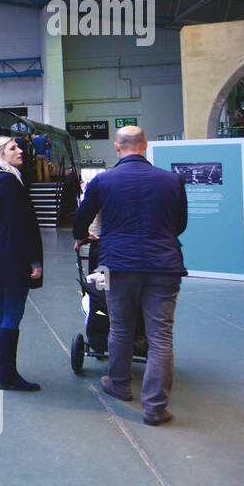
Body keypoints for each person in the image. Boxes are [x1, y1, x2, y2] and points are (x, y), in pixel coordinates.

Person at [72, 126, 186, 426]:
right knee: (160, 336)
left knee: (120, 327)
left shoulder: (103, 181)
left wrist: (80, 236)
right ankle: (155, 408)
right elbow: (180, 224)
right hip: (164, 265)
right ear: (144, 145)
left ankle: (120, 384)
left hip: (117, 265)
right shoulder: (171, 180)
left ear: (116, 147)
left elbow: (82, 218)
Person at [0, 136, 44, 391]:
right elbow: (19, 225)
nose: (20, 151)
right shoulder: (9, 181)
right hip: (14, 257)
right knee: (13, 313)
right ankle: (8, 374)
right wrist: (34, 260)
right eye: (13, 148)